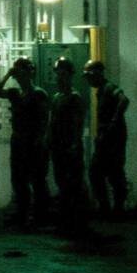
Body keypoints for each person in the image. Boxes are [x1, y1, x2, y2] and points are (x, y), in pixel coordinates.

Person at [0, 57, 50, 226]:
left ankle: (40, 216)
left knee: (37, 179)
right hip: (18, 140)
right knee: (19, 179)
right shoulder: (14, 93)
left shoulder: (39, 94)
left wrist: (40, 140)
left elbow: (44, 120)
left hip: (33, 141)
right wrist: (8, 75)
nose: (19, 76)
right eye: (17, 72)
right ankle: (23, 213)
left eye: (21, 72)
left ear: (30, 73)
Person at [48, 58, 90, 236]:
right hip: (58, 148)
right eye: (58, 74)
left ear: (70, 76)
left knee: (73, 184)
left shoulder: (75, 98)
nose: (59, 78)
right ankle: (66, 221)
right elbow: (52, 122)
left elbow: (78, 123)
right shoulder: (57, 97)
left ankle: (76, 222)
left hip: (70, 147)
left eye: (63, 74)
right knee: (62, 184)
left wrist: (73, 144)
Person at [84, 60, 130, 217]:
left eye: (89, 75)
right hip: (106, 138)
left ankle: (117, 209)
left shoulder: (110, 88)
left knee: (114, 173)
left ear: (97, 73)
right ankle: (106, 208)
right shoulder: (101, 91)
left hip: (113, 139)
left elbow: (124, 100)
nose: (88, 79)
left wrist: (113, 122)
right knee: (97, 173)